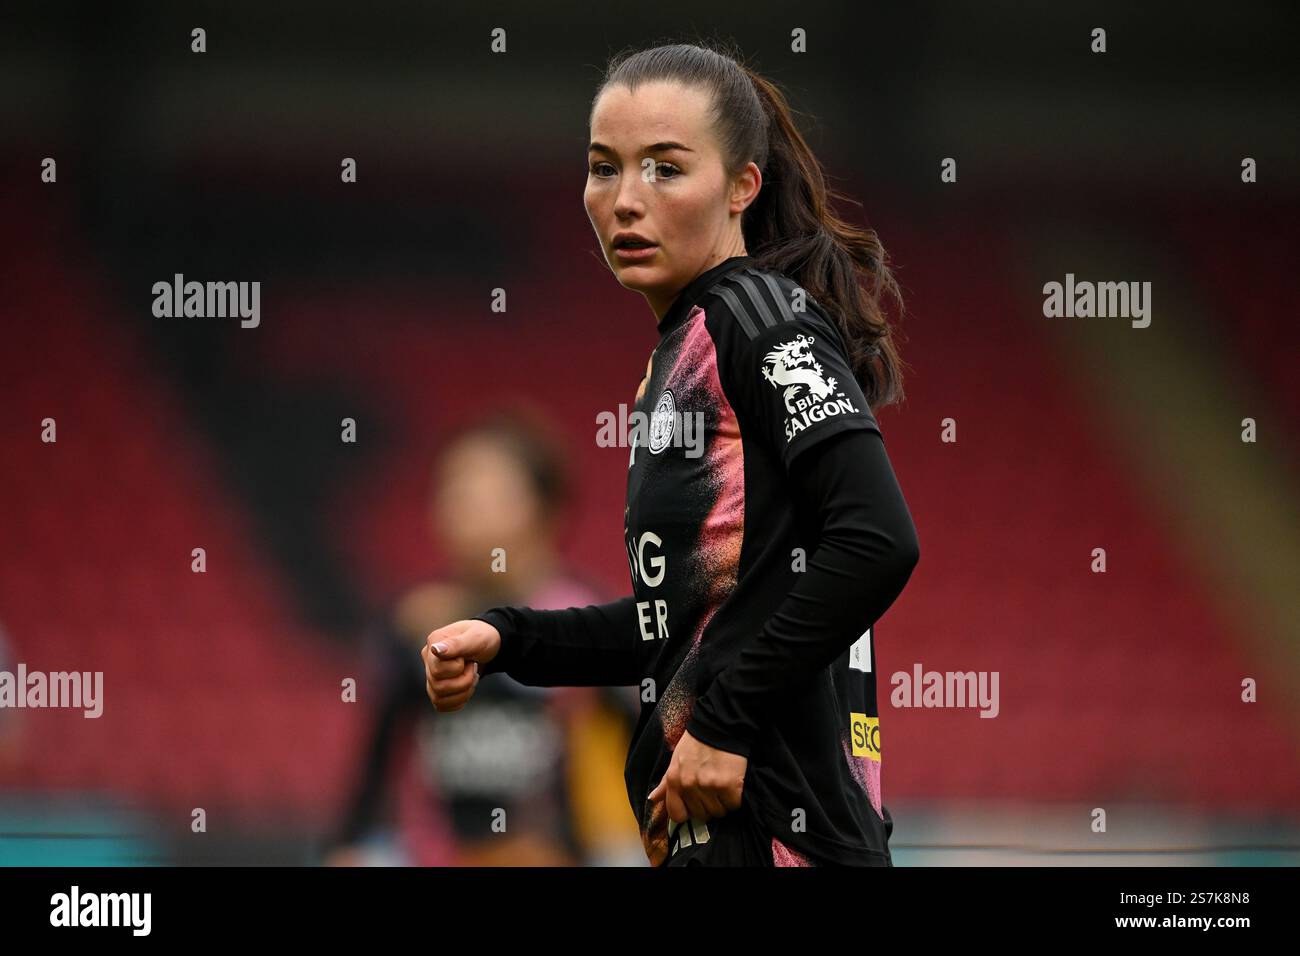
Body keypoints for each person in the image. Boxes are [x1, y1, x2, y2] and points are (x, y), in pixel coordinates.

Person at [422, 41, 919, 867]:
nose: (624, 200)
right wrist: (510, 638)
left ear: (742, 187)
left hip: (781, 837)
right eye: (603, 168)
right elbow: (685, 626)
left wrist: (725, 724)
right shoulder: (686, 347)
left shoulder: (756, 319)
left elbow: (876, 538)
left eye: (664, 168)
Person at [328, 408, 642, 866]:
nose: (463, 506)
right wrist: (346, 845)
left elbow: (644, 749)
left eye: (486, 490)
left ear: (545, 506)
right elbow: (374, 771)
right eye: (452, 489)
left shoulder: (587, 618)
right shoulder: (415, 622)